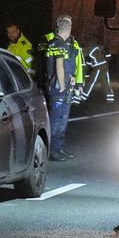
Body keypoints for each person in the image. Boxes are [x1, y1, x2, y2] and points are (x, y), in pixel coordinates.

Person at [42, 15, 82, 161]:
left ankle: (59, 148)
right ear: (68, 28)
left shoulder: (65, 44)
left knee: (63, 119)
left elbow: (67, 66)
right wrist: (62, 85)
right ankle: (52, 150)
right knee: (56, 119)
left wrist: (71, 78)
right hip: (58, 88)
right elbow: (59, 66)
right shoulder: (57, 44)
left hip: (65, 86)